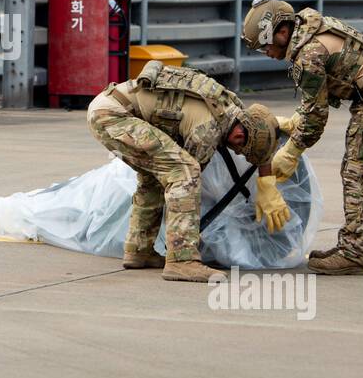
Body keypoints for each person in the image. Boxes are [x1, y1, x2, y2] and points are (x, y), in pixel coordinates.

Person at [242, 0, 363, 276]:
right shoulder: (313, 27)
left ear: (282, 32)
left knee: (356, 176)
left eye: (266, 46)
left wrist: (292, 151)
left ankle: (354, 253)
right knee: (355, 174)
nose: (268, 54)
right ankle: (353, 248)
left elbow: (316, 118)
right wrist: (300, 118)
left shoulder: (307, 54)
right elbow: (324, 92)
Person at [87, 61, 285, 281]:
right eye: (239, 148)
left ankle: (139, 250)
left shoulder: (232, 107)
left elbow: (262, 130)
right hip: (114, 116)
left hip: (109, 108)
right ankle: (182, 261)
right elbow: (186, 186)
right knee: (185, 174)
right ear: (239, 136)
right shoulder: (207, 130)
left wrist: (266, 178)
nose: (236, 151)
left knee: (155, 176)